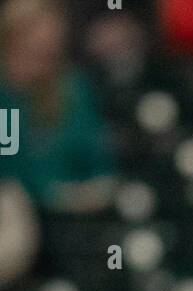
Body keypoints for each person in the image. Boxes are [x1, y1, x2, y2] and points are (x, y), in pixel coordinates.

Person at [0, 0, 116, 212]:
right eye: (28, 53)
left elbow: (99, 163)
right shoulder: (4, 98)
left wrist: (88, 192)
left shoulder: (73, 90)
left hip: (72, 217)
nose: (37, 65)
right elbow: (10, 170)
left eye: (48, 55)